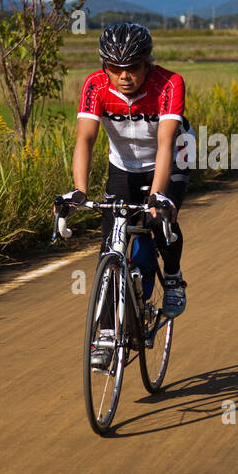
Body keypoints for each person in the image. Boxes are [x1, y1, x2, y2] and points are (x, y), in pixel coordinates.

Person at [72, 21, 193, 323]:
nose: (125, 76)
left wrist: (157, 197)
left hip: (173, 155)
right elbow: (85, 139)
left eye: (134, 67)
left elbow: (165, 143)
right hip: (124, 165)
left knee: (161, 217)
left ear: (148, 62)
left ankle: (174, 276)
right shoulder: (95, 85)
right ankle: (105, 336)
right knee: (110, 244)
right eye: (115, 67)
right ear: (105, 66)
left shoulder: (169, 83)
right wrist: (79, 191)